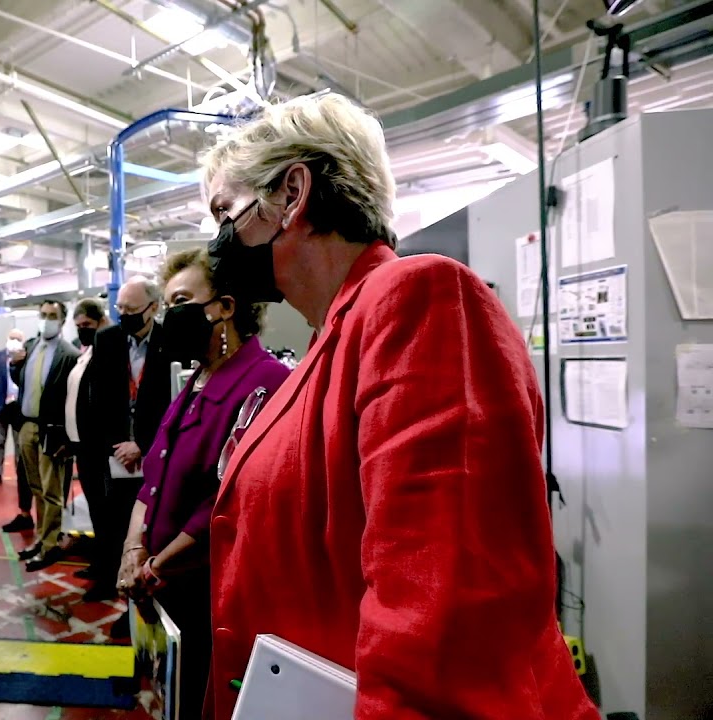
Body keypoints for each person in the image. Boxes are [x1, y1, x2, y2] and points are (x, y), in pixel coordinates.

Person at [200, 93, 597, 719]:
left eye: (227, 212)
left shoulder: (419, 297)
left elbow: (443, 622)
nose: (220, 239)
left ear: (291, 196)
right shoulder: (328, 340)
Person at [118, 248, 290, 719]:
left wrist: (156, 564)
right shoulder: (196, 379)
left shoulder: (264, 383)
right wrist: (134, 549)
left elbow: (227, 499)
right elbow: (153, 476)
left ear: (225, 307)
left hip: (204, 592)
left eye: (180, 302)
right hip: (160, 582)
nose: (169, 317)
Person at [85, 277, 170, 631]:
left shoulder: (171, 342)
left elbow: (174, 402)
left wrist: (144, 445)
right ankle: (123, 599)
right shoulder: (107, 341)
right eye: (119, 309)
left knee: (153, 535)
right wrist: (118, 445)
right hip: (117, 457)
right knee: (120, 529)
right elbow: (98, 399)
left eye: (132, 310)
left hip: (158, 455)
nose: (124, 316)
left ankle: (147, 608)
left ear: (153, 308)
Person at [11, 301, 78, 571]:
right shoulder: (29, 347)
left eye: (53, 316)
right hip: (26, 426)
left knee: (52, 491)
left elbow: (70, 397)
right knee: (35, 486)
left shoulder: (68, 354)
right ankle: (40, 537)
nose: (46, 320)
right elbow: (23, 382)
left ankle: (50, 544)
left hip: (51, 429)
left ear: (62, 321)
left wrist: (66, 436)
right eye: (43, 315)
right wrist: (14, 367)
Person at [66, 297, 115, 598]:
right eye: (79, 326)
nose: (83, 330)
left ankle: (108, 576)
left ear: (100, 323)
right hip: (82, 445)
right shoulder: (87, 352)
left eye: (87, 325)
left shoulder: (107, 352)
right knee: (96, 511)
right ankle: (99, 563)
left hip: (98, 447)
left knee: (106, 513)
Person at [0, 329, 33, 515]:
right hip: (0, 406)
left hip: (19, 408)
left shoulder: (26, 358)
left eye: (18, 339)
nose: (14, 342)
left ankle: (22, 477)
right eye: (12, 338)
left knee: (21, 445)